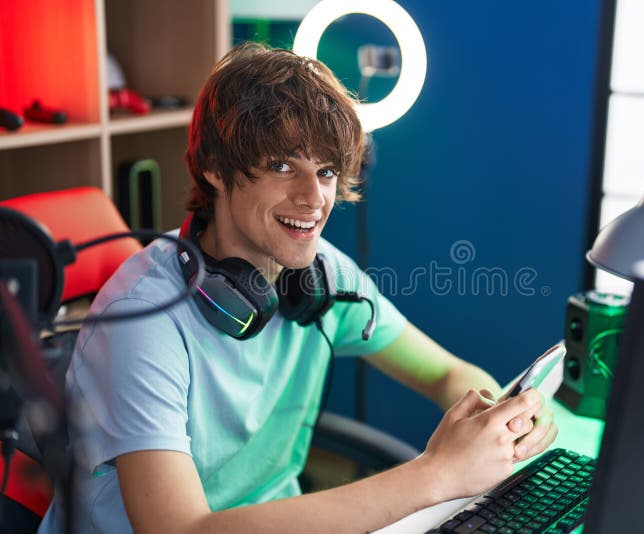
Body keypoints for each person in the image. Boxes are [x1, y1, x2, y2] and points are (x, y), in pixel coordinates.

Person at [38, 43, 557, 533]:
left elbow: (446, 372)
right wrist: (435, 475)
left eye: (327, 171)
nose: (314, 199)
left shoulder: (321, 277)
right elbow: (180, 529)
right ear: (215, 169)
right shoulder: (142, 321)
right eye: (283, 166)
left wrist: (502, 424)